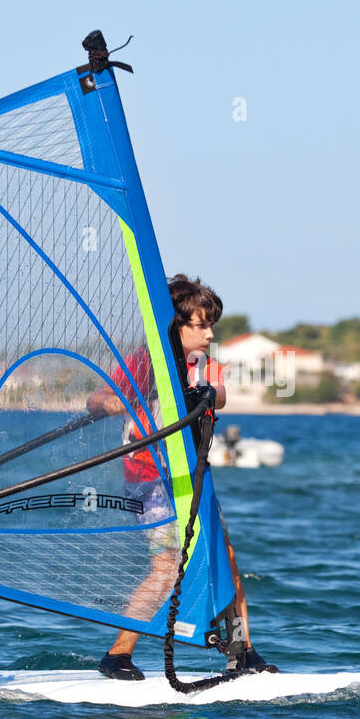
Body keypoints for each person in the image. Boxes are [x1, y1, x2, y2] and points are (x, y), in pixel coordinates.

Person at [86, 274, 277, 681]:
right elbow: (96, 399)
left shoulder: (202, 365)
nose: (209, 334)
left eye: (212, 326)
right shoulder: (143, 362)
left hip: (192, 479)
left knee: (226, 563)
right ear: (177, 325)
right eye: (201, 325)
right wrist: (125, 406)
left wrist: (204, 393)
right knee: (167, 568)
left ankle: (242, 652)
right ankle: (117, 655)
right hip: (150, 481)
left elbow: (221, 393)